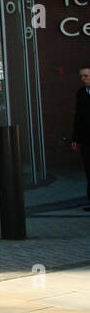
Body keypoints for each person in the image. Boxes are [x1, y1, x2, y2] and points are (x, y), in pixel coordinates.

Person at [70, 65, 90, 210]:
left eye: (86, 76)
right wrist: (75, 139)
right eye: (81, 76)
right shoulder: (81, 93)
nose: (83, 79)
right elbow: (78, 117)